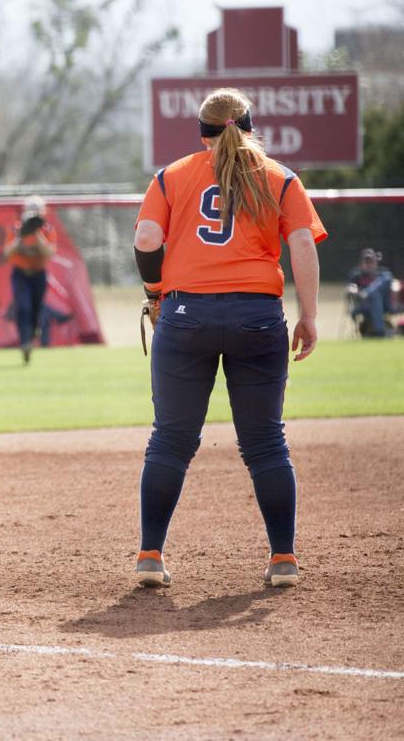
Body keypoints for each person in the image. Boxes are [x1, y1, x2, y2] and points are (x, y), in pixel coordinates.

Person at [132, 87, 326, 589]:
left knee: (171, 440)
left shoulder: (171, 176)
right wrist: (308, 315)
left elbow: (146, 240)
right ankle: (283, 559)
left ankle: (151, 554)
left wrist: (156, 295)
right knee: (265, 443)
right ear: (250, 126)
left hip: (185, 312)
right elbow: (302, 243)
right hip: (258, 316)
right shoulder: (281, 177)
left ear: (202, 132)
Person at [3, 195, 55, 364]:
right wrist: (22, 236)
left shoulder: (46, 230)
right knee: (23, 307)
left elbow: (49, 254)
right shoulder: (16, 229)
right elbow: (7, 253)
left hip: (38, 274)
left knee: (36, 309)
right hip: (21, 274)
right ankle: (25, 342)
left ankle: (33, 333)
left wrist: (37, 233)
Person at [347, 248, 395, 338]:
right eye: (366, 262)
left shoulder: (383, 274)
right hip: (364, 305)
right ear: (361, 264)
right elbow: (350, 288)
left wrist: (366, 293)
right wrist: (354, 290)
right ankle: (380, 332)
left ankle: (368, 292)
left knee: (384, 281)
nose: (369, 265)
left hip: (385, 305)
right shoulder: (356, 276)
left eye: (371, 262)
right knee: (375, 297)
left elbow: (392, 284)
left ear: (376, 263)